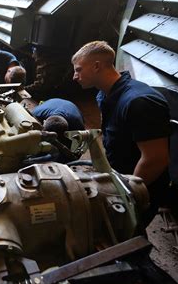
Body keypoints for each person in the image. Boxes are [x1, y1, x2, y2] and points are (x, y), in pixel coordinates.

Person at [72, 41, 170, 223]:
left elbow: (155, 159)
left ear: (96, 66)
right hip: (119, 175)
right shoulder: (104, 94)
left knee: (130, 233)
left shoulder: (140, 102)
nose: (74, 76)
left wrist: (126, 194)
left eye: (78, 70)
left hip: (139, 188)